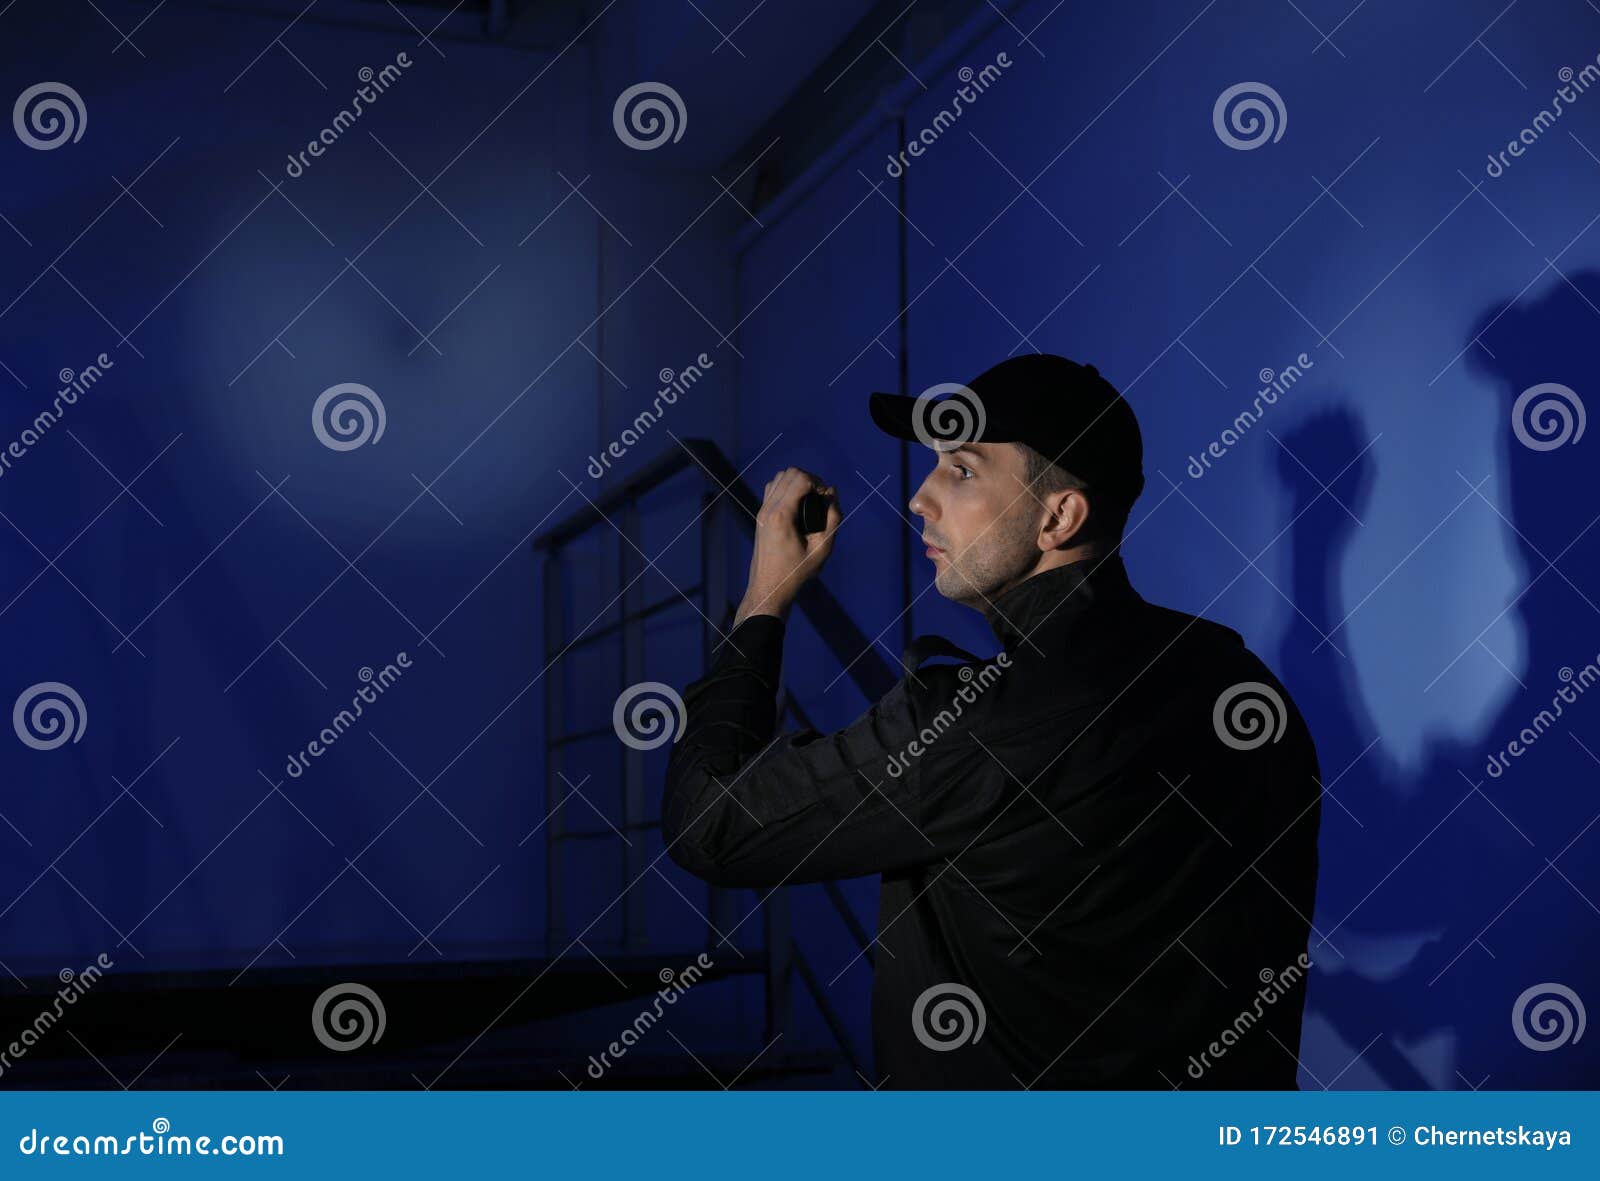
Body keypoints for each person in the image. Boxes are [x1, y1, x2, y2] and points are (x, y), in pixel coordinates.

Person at [660, 353, 1322, 1088]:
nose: (920, 498)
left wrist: (763, 598)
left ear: (1059, 516)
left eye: (962, 469)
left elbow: (710, 825)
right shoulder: (1241, 685)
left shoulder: (975, 725)